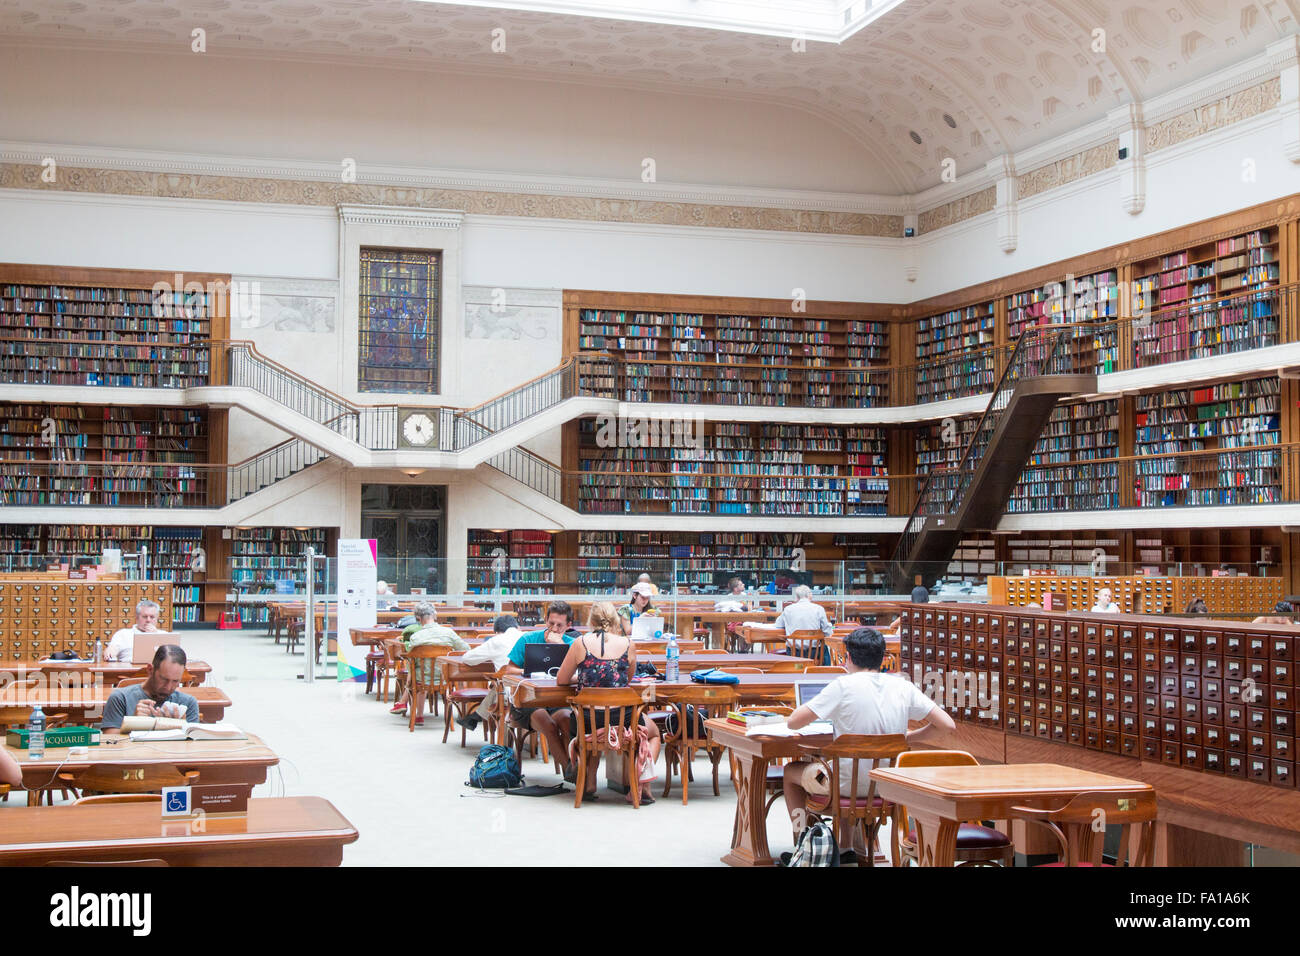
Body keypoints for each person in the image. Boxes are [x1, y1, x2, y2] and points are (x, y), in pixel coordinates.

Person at [782, 628, 955, 853]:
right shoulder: (902, 686)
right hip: (888, 786)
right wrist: (908, 738)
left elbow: (794, 722)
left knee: (791, 772)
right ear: (883, 658)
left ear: (849, 657)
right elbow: (948, 725)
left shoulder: (842, 686)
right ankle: (847, 846)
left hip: (842, 786)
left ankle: (803, 843)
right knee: (845, 765)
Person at [555, 602, 661, 805]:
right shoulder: (628, 644)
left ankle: (589, 782)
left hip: (588, 722)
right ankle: (641, 782)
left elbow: (561, 679)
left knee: (591, 723)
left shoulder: (580, 644)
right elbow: (627, 680)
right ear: (614, 620)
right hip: (622, 722)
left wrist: (583, 678)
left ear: (591, 621)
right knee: (654, 732)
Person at [504, 601, 580, 779]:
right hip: (529, 701)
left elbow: (579, 672)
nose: (554, 628)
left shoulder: (573, 644)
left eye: (560, 625)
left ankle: (574, 768)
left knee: (566, 719)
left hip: (558, 700)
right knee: (546, 723)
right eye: (551, 623)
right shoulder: (527, 639)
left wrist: (560, 645)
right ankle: (571, 773)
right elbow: (509, 670)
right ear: (546, 620)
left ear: (569, 625)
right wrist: (529, 671)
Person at [390, 602, 469, 723]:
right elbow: (465, 649)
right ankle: (459, 716)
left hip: (422, 679)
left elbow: (411, 658)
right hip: (445, 677)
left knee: (417, 670)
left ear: (418, 618)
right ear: (435, 615)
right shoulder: (448, 633)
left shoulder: (416, 637)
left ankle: (418, 715)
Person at [101, 645, 200, 733]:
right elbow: (110, 741)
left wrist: (181, 727)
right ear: (150, 670)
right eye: (164, 679)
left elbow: (192, 746)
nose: (168, 687)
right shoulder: (120, 698)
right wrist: (133, 723)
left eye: (175, 681)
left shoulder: (188, 703)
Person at [456, 614, 524, 732]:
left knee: (499, 686)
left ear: (497, 632)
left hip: (510, 692)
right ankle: (474, 717)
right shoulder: (527, 636)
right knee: (498, 686)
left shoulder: (497, 640)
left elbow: (467, 658)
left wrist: (490, 656)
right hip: (530, 687)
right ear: (517, 627)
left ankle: (475, 717)